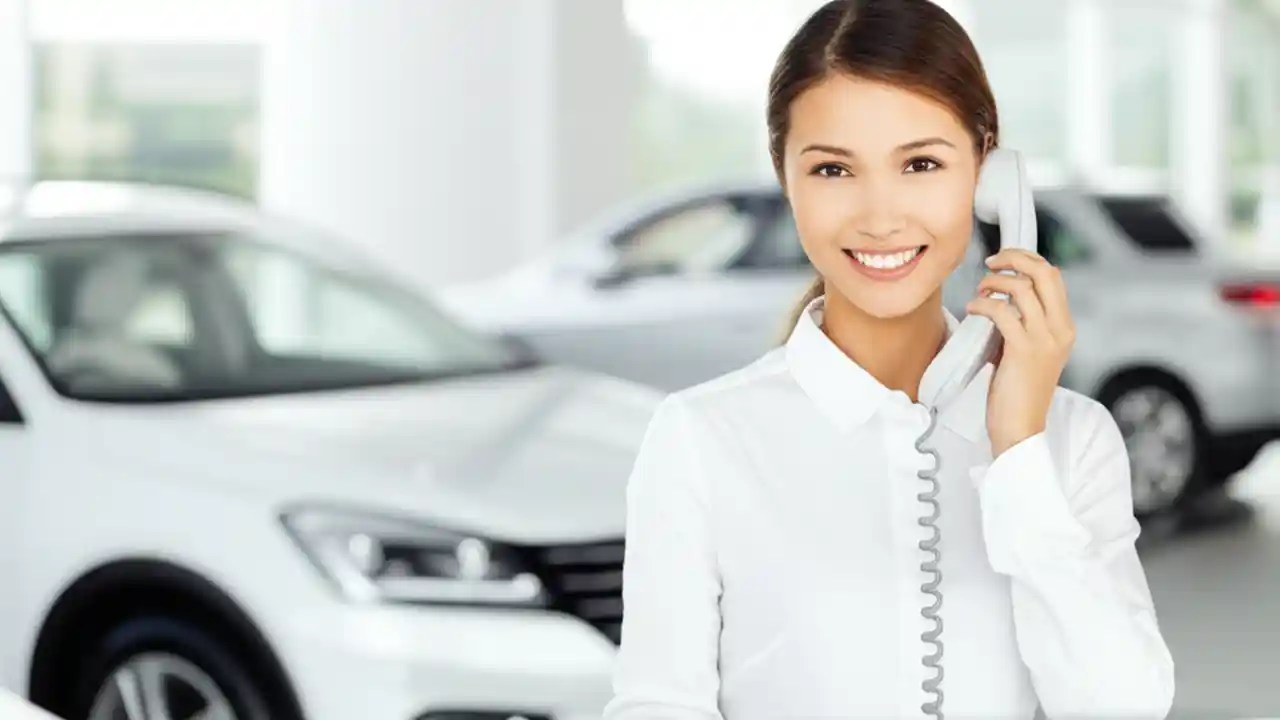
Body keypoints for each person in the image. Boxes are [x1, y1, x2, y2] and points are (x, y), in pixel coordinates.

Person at [600, 1, 1176, 718]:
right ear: (786, 176)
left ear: (991, 173)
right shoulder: (701, 438)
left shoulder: (1072, 440)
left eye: (922, 163)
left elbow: (1123, 708)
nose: (879, 216)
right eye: (835, 169)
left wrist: (1019, 450)